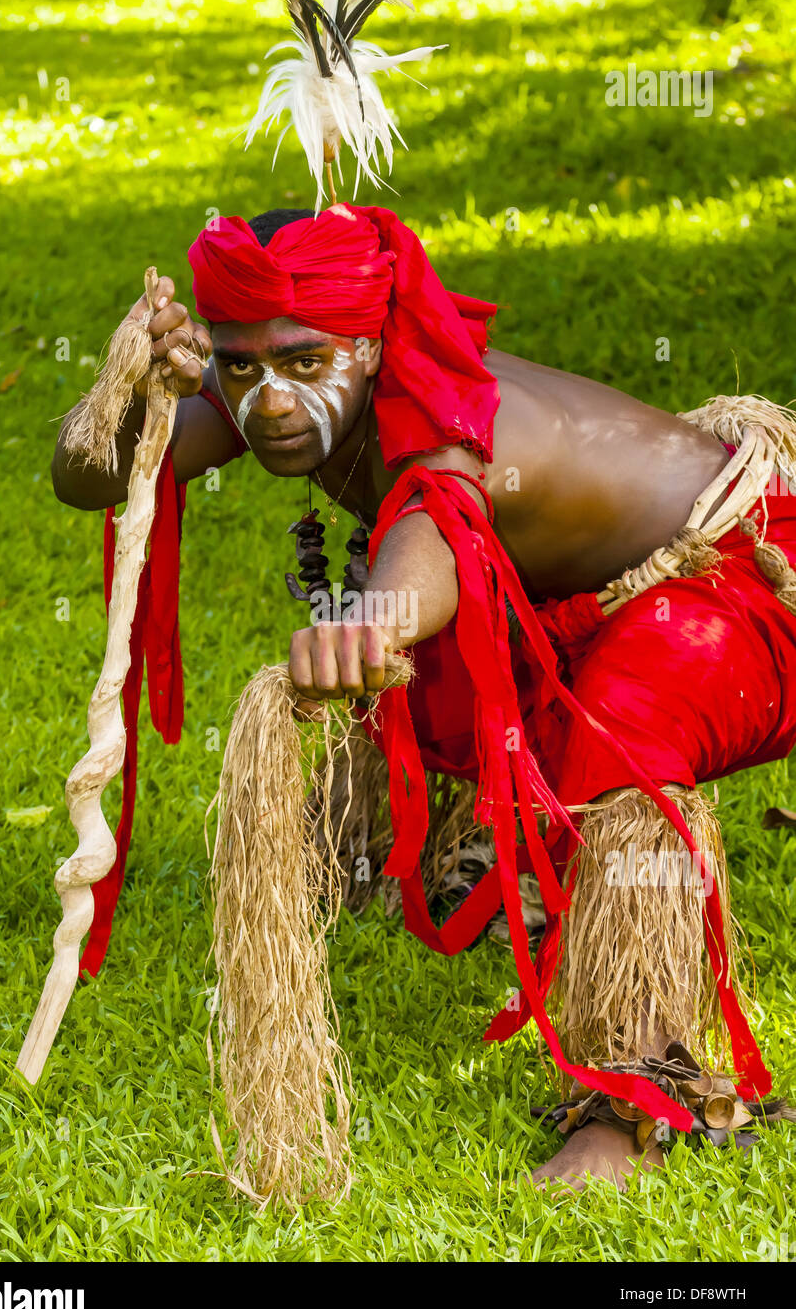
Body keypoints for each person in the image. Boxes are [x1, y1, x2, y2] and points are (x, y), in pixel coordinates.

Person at [52, 201, 796, 1190]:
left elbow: (436, 533)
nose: (271, 402)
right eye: (241, 368)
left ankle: (637, 1093)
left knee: (614, 750)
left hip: (733, 567)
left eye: (305, 363)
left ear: (367, 346)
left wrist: (373, 625)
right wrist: (124, 387)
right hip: (577, 590)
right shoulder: (277, 376)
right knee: (438, 679)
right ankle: (433, 850)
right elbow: (91, 479)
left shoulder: (441, 407)